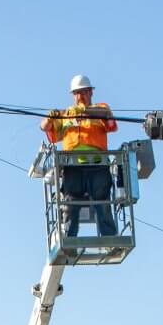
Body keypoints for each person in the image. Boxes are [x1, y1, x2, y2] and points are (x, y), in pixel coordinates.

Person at [40, 74, 119, 236]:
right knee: (70, 204)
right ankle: (69, 239)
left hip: (97, 165)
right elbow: (45, 127)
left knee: (102, 202)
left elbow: (108, 118)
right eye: (76, 93)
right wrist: (50, 118)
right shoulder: (66, 115)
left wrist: (83, 111)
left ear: (91, 93)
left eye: (83, 92)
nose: (80, 96)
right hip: (72, 167)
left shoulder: (100, 109)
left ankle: (109, 238)